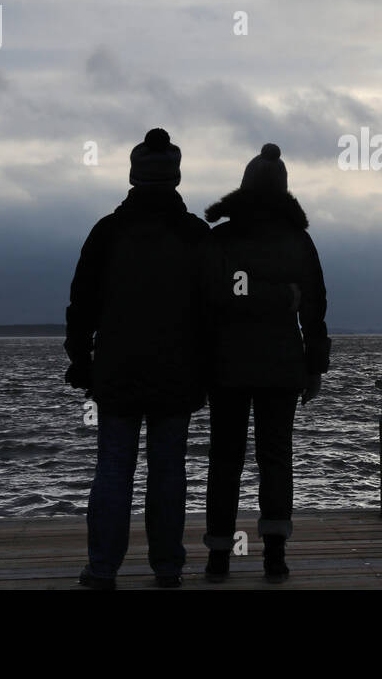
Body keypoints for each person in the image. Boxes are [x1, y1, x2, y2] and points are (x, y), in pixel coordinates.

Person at [63, 127, 209, 589]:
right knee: (168, 470)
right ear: (176, 177)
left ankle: (102, 568)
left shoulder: (107, 231)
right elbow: (212, 309)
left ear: (133, 175)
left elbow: (81, 304)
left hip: (117, 370)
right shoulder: (194, 234)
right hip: (177, 371)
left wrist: (81, 360)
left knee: (113, 468)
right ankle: (167, 568)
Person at [202, 143, 329, 583]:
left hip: (227, 367)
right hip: (280, 366)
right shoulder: (298, 242)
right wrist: (314, 365)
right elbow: (314, 307)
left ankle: (219, 555)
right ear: (284, 190)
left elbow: (210, 299)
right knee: (276, 457)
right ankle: (274, 554)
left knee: (225, 459)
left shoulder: (220, 240)